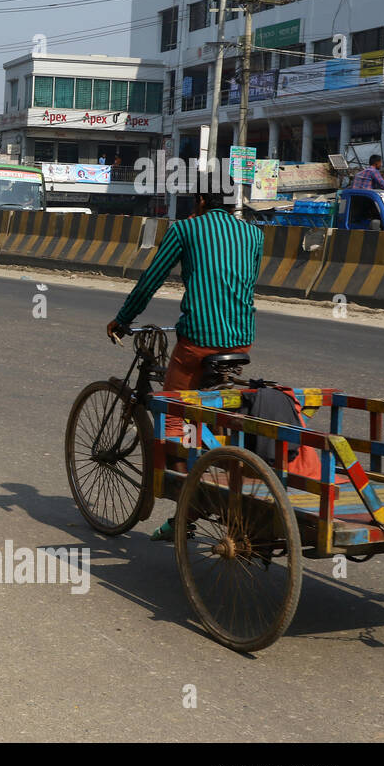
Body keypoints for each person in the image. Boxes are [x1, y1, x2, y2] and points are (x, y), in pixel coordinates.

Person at [106, 187, 263, 540]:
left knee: (172, 413)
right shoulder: (254, 233)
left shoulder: (184, 229)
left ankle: (185, 500)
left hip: (199, 340)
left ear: (201, 201)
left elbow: (152, 280)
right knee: (210, 409)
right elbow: (245, 282)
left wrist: (123, 318)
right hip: (241, 338)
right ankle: (212, 468)